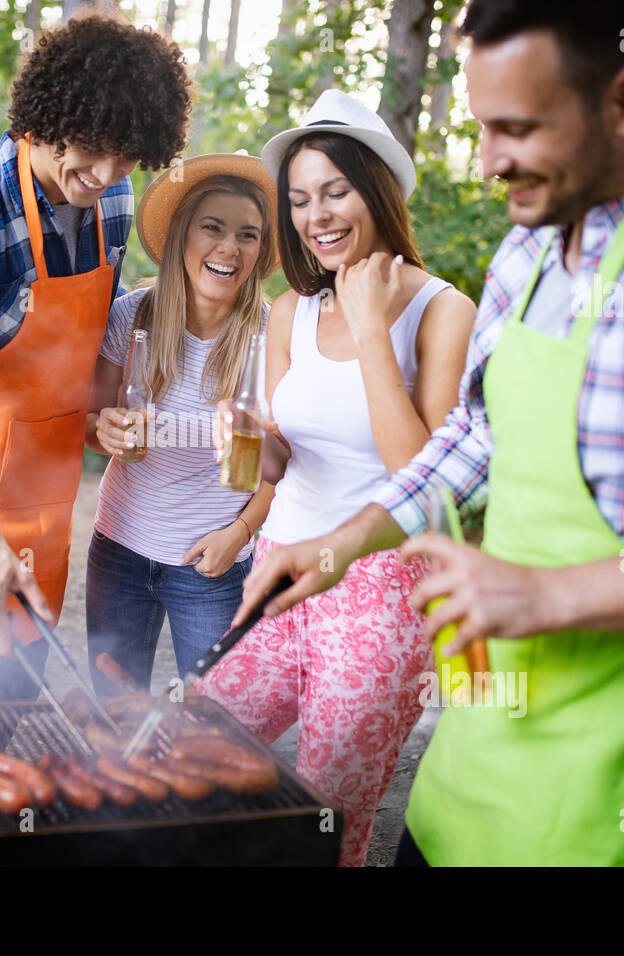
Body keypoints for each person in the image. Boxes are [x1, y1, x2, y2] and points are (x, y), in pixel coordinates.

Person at [236, 0, 624, 866]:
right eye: (481, 127)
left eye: (515, 129)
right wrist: (347, 540)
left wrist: (543, 599)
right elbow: (472, 438)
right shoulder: (528, 255)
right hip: (498, 715)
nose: (487, 161)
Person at [0, 15, 192, 703]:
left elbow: (84, 344)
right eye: (93, 147)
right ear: (47, 113)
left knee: (22, 710)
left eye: (129, 155)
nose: (106, 174)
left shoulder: (110, 200)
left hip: (44, 498)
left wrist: (99, 417)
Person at [196, 90, 477, 867]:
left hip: (381, 594)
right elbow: (277, 460)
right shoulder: (288, 311)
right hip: (280, 568)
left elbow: (425, 484)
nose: (315, 215)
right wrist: (245, 443)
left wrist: (370, 328)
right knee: (197, 739)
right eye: (299, 199)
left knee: (324, 817)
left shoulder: (444, 312)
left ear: (377, 190)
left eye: (335, 191)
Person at [84, 156, 278, 691]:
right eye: (212, 228)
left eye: (248, 235)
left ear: (260, 254)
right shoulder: (133, 317)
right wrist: (104, 429)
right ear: (179, 238)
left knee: (214, 724)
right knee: (114, 712)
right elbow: (89, 419)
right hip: (120, 547)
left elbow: (286, 467)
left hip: (212, 562)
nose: (229, 247)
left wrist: (238, 533)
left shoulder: (272, 336)